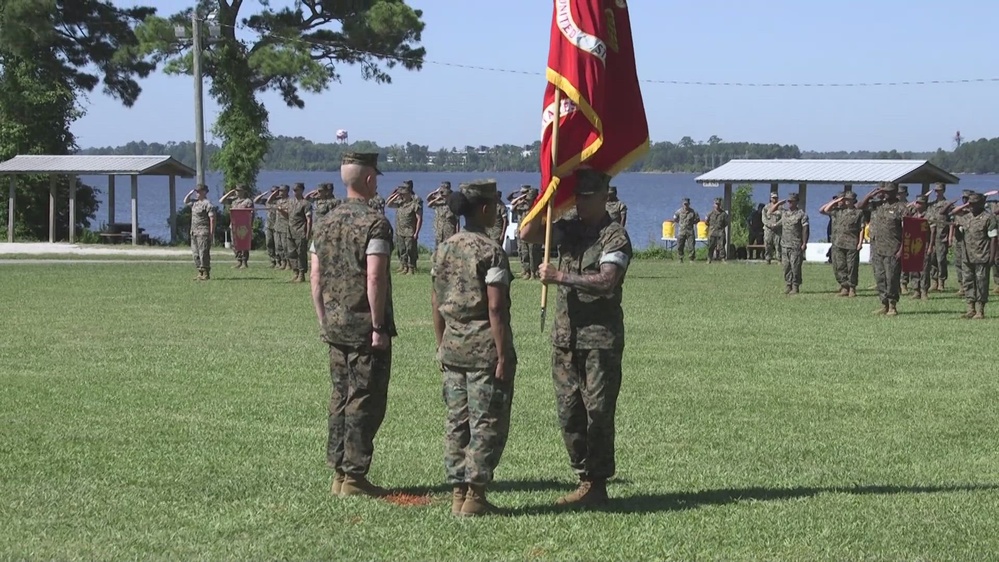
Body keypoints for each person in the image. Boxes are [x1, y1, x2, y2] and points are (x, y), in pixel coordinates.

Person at [520, 168, 632, 507]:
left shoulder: (615, 237)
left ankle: (596, 484)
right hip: (565, 337)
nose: (580, 202)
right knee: (569, 411)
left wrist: (560, 276)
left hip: (599, 340)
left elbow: (607, 281)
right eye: (576, 196)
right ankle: (582, 476)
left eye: (586, 196)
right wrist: (547, 200)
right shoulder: (567, 228)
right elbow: (527, 233)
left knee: (597, 412)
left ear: (604, 196)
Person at [310, 152, 395, 498]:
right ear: (370, 180)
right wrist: (378, 326)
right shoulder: (376, 224)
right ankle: (355, 477)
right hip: (363, 328)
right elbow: (374, 277)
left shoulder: (324, 222)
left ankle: (339, 473)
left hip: (335, 326)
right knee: (364, 398)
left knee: (340, 396)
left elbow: (315, 278)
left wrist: (323, 319)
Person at [431, 179, 516, 517]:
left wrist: (441, 345)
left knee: (457, 421)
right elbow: (495, 308)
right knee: (486, 421)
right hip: (483, 350)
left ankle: (457, 493)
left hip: (452, 347)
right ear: (484, 209)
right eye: (495, 204)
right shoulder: (490, 251)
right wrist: (503, 353)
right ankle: (476, 497)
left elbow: (435, 302)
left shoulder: (443, 248)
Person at [859, 182, 906, 316]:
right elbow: (859, 206)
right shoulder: (877, 205)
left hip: (893, 248)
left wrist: (901, 249)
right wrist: (870, 195)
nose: (885, 193)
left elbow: (907, 231)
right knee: (880, 277)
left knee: (891, 278)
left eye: (888, 191)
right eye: (883, 191)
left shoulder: (901, 208)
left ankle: (892, 305)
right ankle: (884, 304)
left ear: (894, 192)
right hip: (877, 248)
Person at [951, 192, 999, 318]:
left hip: (982, 256)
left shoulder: (989, 218)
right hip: (967, 257)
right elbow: (959, 237)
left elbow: (994, 239)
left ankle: (980, 310)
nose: (971, 206)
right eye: (970, 204)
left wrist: (992, 257)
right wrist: (956, 229)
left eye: (974, 204)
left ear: (981, 204)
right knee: (968, 282)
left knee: (981, 283)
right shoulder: (966, 218)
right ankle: (970, 308)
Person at [819, 191, 864, 297]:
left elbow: (861, 228)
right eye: (845, 199)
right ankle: (844, 286)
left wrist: (860, 242)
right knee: (839, 266)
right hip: (838, 243)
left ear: (853, 200)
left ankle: (852, 287)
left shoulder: (858, 213)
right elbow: (824, 210)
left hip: (852, 243)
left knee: (852, 267)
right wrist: (836, 201)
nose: (847, 201)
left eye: (849, 199)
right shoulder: (838, 211)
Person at [769, 193, 808, 294]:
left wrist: (804, 243)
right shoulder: (784, 213)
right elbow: (771, 211)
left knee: (795, 266)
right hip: (785, 244)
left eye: (792, 201)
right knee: (786, 266)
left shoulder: (801, 214)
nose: (789, 203)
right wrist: (780, 202)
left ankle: (795, 285)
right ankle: (788, 284)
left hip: (796, 244)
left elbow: (805, 229)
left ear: (796, 202)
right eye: (788, 201)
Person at [385, 181, 423, 274]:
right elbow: (388, 204)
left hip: (410, 231)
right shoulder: (400, 203)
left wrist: (416, 232)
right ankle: (404, 266)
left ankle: (411, 268)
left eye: (404, 194)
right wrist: (395, 194)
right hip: (400, 230)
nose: (402, 196)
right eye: (402, 194)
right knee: (401, 250)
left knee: (410, 250)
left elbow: (419, 219)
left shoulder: (414, 203)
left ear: (409, 194)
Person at [279, 182, 313, 282]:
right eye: (293, 190)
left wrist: (308, 233)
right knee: (291, 253)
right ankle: (296, 272)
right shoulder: (291, 202)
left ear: (302, 190)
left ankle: (302, 274)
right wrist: (281, 212)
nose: (294, 192)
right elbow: (288, 216)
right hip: (290, 231)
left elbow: (309, 219)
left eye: (297, 190)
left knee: (301, 254)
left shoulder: (306, 204)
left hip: (300, 232)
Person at [184, 184, 215, 281]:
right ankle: (200, 272)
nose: (197, 193)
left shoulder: (208, 204)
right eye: (196, 191)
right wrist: (190, 193)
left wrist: (211, 233)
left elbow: (212, 219)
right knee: (195, 254)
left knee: (203, 253)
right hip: (194, 232)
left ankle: (206, 272)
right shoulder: (195, 203)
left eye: (199, 191)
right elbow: (185, 201)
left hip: (203, 232)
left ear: (204, 192)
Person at [510, 185, 541, 279]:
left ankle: (534, 272)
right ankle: (526, 271)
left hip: (532, 231)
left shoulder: (534, 205)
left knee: (533, 253)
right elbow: (512, 206)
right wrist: (520, 199)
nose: (524, 195)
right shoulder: (521, 204)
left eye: (525, 193)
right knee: (524, 252)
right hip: (521, 231)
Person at [220, 184, 254, 269]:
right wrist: (230, 193)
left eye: (239, 191)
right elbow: (221, 201)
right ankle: (238, 261)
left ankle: (244, 262)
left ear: (244, 191)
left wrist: (250, 225)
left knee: (244, 244)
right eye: (236, 190)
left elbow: (251, 214)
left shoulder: (248, 201)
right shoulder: (233, 200)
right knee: (235, 244)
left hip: (244, 226)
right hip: (234, 225)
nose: (237, 192)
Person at [907, 195, 933, 300]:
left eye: (920, 203)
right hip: (914, 244)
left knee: (924, 270)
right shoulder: (913, 216)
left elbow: (933, 232)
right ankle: (916, 290)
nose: (917, 205)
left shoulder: (929, 216)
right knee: (914, 269)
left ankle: (924, 291)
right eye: (916, 202)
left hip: (925, 243)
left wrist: (931, 246)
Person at [927, 183, 951, 292]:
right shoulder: (931, 205)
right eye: (935, 190)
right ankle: (934, 281)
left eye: (939, 190)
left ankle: (941, 282)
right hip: (931, 237)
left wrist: (950, 237)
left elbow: (952, 222)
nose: (937, 192)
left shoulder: (948, 204)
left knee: (941, 260)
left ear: (944, 190)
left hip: (942, 236)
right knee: (932, 259)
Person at [950, 190, 973, 296]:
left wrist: (969, 206)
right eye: (963, 198)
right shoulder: (960, 211)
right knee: (958, 263)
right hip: (958, 241)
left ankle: (969, 286)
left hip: (970, 242)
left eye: (967, 198)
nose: (965, 200)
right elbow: (952, 216)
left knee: (968, 264)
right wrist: (950, 237)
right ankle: (961, 286)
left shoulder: (973, 212)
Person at [427, 181, 459, 249]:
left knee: (448, 249)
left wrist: (457, 234)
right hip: (439, 232)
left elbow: (457, 222)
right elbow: (429, 202)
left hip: (449, 232)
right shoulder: (439, 202)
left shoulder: (453, 204)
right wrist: (436, 194)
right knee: (438, 249)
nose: (443, 195)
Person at [254, 186, 279, 268]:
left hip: (278, 224)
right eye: (272, 191)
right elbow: (256, 201)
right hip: (268, 225)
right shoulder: (267, 201)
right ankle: (272, 260)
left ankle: (280, 261)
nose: (273, 193)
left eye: (275, 191)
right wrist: (263, 194)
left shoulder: (279, 201)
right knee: (269, 243)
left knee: (278, 244)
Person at [672, 198, 699, 262]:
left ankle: (691, 259)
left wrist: (692, 222)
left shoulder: (693, 212)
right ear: (682, 204)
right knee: (680, 246)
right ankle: (680, 258)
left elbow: (698, 219)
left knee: (691, 246)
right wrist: (681, 223)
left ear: (689, 204)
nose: (685, 206)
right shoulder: (678, 211)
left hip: (690, 231)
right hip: (681, 231)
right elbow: (675, 219)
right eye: (684, 204)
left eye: (687, 204)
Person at [271, 185, 291, 270]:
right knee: (278, 246)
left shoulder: (290, 201)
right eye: (279, 191)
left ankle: (289, 263)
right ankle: (283, 262)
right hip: (277, 226)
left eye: (282, 191)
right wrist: (275, 193)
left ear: (287, 191)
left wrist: (281, 211)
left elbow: (288, 215)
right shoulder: (278, 201)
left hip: (285, 226)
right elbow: (269, 201)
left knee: (285, 246)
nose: (280, 192)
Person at [705, 198, 728, 263]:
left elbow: (726, 223)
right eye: (716, 204)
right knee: (711, 246)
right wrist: (712, 227)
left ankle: (722, 258)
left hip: (720, 232)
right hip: (712, 232)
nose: (717, 205)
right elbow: (706, 222)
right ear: (714, 205)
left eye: (718, 204)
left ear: (720, 204)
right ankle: (709, 259)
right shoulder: (710, 213)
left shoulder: (724, 214)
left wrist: (720, 228)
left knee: (721, 246)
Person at [762, 192, 782, 264]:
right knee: (768, 245)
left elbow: (783, 218)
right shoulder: (766, 208)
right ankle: (768, 259)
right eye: (773, 197)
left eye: (776, 197)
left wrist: (777, 224)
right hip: (768, 230)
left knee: (778, 245)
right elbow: (764, 219)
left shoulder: (781, 208)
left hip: (777, 230)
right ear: (770, 198)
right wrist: (769, 225)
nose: (775, 199)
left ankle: (779, 259)